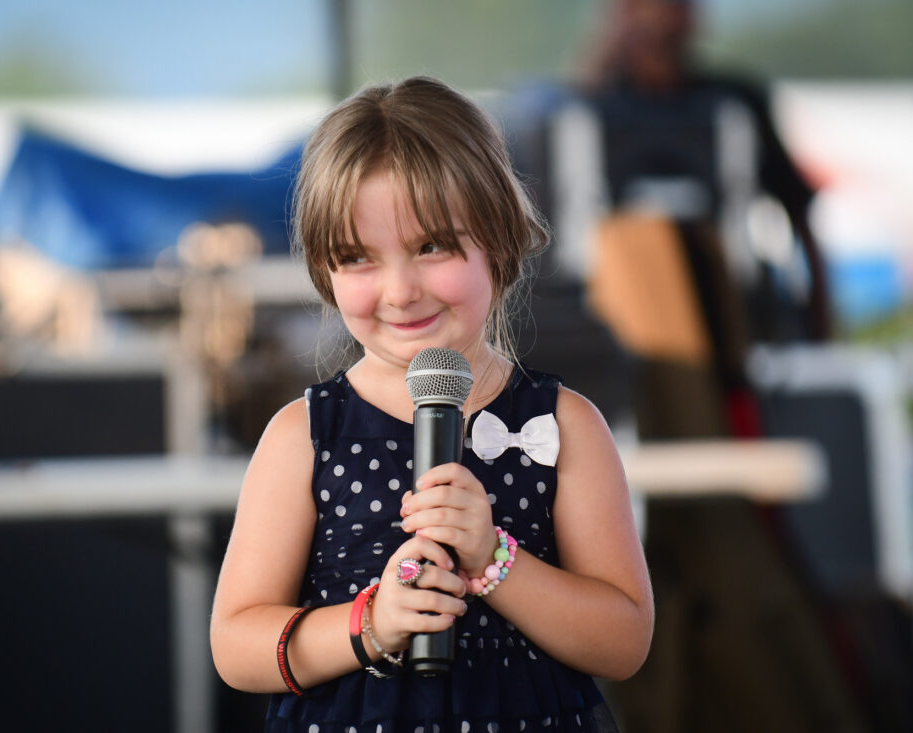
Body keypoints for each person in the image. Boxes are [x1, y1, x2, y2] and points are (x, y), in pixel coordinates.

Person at [210, 76, 653, 733]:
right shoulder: (303, 434)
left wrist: (495, 559)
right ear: (324, 272)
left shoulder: (564, 425)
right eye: (357, 257)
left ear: (498, 239)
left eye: (432, 246)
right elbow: (236, 645)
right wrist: (371, 622)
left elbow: (623, 641)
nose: (400, 290)